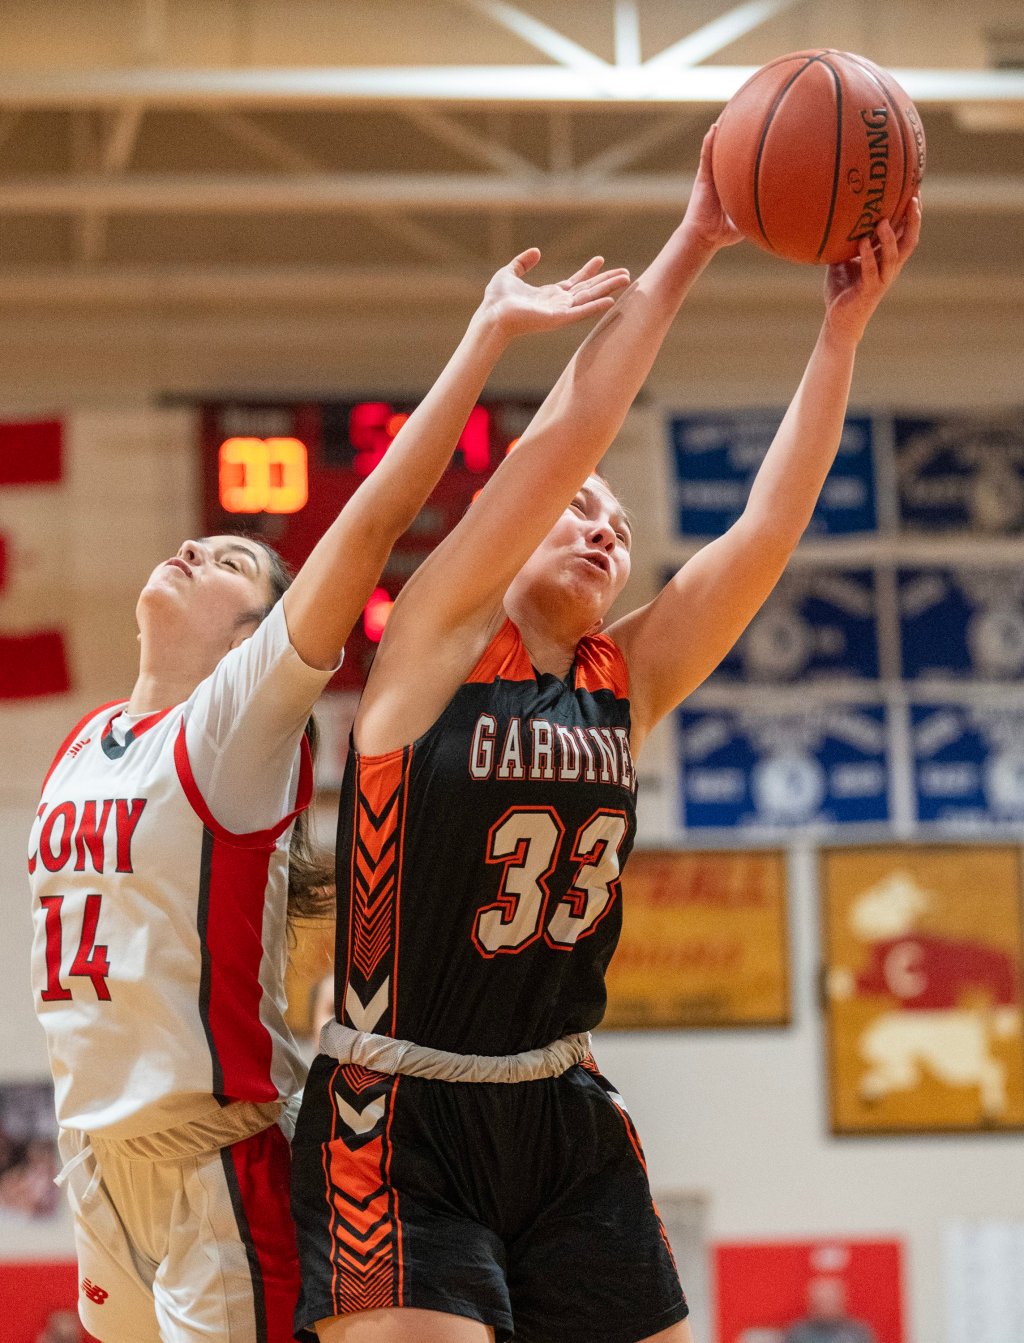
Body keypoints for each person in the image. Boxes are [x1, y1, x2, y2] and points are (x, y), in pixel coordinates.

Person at [291, 124, 921, 1343]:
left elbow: (764, 529)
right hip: (398, 1110)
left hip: (562, 1103)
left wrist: (840, 334)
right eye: (576, 508)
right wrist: (694, 239)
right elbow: (562, 439)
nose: (602, 529)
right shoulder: (431, 649)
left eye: (621, 528)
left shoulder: (622, 679)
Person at [27, 250, 629, 1343]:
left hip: (217, 1158)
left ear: (258, 640)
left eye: (226, 562)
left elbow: (373, 517)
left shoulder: (232, 727)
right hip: (94, 1157)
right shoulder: (85, 739)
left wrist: (487, 334)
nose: (190, 547)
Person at [782, 1277, 878, 1343]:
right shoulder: (797, 1333)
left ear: (842, 1301)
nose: (826, 1307)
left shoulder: (859, 1332)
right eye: (821, 1301)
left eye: (831, 1301)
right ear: (811, 1303)